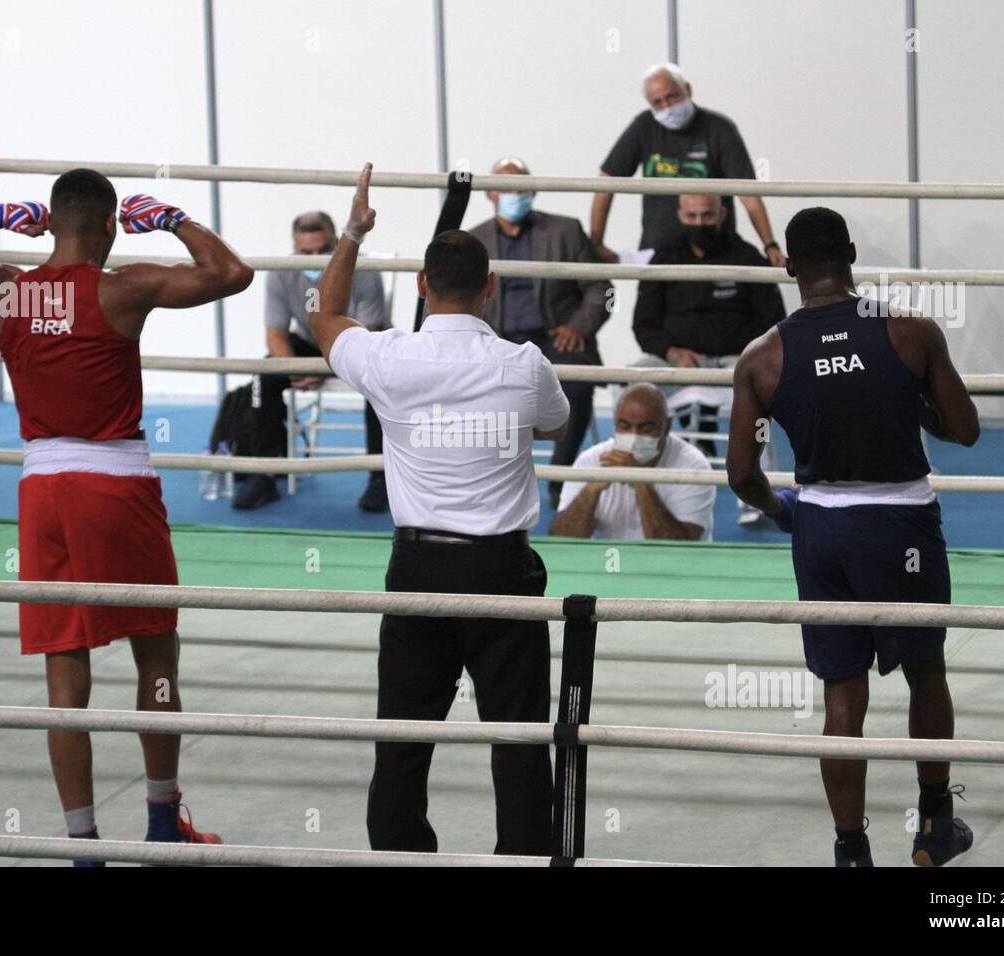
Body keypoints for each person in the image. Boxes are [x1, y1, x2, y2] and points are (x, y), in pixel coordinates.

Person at [0, 171, 253, 862]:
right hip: (118, 490)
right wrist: (174, 219)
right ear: (113, 226)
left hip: (45, 495)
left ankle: (84, 846)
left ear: (49, 224)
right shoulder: (126, 287)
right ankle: (158, 823)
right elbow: (231, 273)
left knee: (65, 676)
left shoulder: (6, 288)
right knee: (156, 658)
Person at [309, 164, 568, 855]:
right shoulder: (525, 364)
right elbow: (553, 423)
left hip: (418, 568)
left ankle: (399, 855)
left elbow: (322, 317)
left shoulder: (388, 359)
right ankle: (521, 858)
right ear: (492, 286)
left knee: (402, 735)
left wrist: (354, 235)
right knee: (518, 738)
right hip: (501, 573)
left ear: (422, 286)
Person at [725, 206, 980, 868]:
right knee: (925, 669)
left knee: (842, 693)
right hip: (901, 523)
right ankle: (933, 828)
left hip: (821, 526)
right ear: (852, 254)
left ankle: (851, 851)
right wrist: (909, 398)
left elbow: (741, 473)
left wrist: (783, 511)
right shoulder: (910, 332)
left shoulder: (762, 356)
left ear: (788, 266)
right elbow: (964, 428)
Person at [633, 191, 785, 526]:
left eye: (707, 216)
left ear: (723, 215)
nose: (699, 223)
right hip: (676, 362)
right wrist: (673, 353)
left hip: (736, 362)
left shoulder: (747, 258)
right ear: (679, 215)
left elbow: (774, 323)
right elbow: (643, 324)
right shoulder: (663, 260)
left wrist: (747, 358)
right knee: (630, 382)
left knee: (760, 394)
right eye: (692, 216)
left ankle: (760, 499)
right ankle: (634, 489)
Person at [468, 157, 613, 509]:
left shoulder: (565, 230)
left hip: (556, 338)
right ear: (489, 194)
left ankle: (559, 477)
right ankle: (491, 480)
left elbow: (601, 290)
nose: (516, 194)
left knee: (577, 386)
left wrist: (578, 325)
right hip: (497, 341)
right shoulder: (473, 241)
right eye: (507, 188)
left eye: (523, 187)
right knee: (468, 387)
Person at [235, 210, 389, 511]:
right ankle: (264, 474)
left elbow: (369, 331)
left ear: (337, 243)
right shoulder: (282, 271)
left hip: (356, 342)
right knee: (263, 375)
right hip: (309, 342)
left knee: (379, 379)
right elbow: (276, 334)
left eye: (323, 251)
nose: (316, 258)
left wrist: (326, 367)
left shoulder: (364, 268)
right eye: (308, 252)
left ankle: (380, 478)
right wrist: (296, 368)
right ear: (295, 249)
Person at [590, 63, 785, 266]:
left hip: (716, 253)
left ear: (688, 90)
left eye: (672, 96)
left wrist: (770, 245)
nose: (667, 107)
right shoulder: (644, 127)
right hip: (658, 256)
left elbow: (749, 194)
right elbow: (605, 183)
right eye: (657, 102)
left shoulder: (720, 129)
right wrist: (595, 244)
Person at [550, 384, 713, 541]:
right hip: (609, 563)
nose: (634, 436)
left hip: (670, 568)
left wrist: (640, 483)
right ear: (614, 423)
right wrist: (591, 491)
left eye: (646, 428)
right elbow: (560, 539)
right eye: (625, 426)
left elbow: (678, 550)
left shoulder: (693, 466)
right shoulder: (591, 461)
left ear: (667, 425)